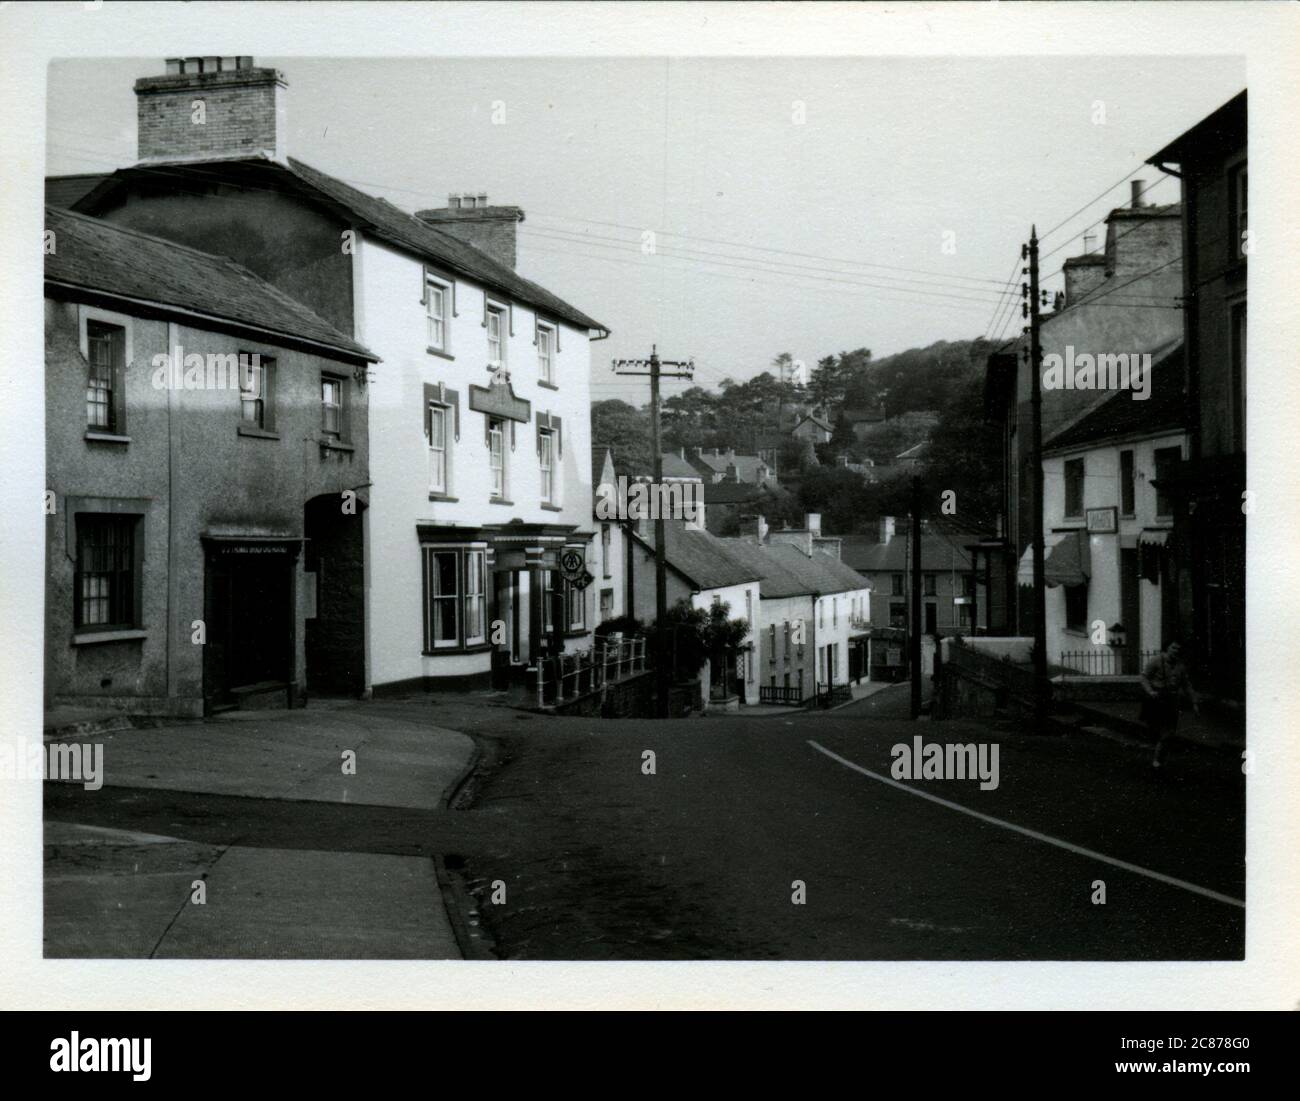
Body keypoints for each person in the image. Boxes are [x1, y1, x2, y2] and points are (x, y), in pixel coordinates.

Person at [1140, 639, 1199, 768]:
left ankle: (1158, 759)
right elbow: (1144, 677)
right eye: (1173, 648)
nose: (1176, 651)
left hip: (1172, 700)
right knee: (1155, 729)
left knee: (1169, 732)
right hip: (1157, 698)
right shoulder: (1156, 661)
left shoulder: (1180, 666)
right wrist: (1150, 691)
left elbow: (1186, 685)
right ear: (1167, 648)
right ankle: (1158, 753)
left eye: (1178, 649)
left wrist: (1194, 703)